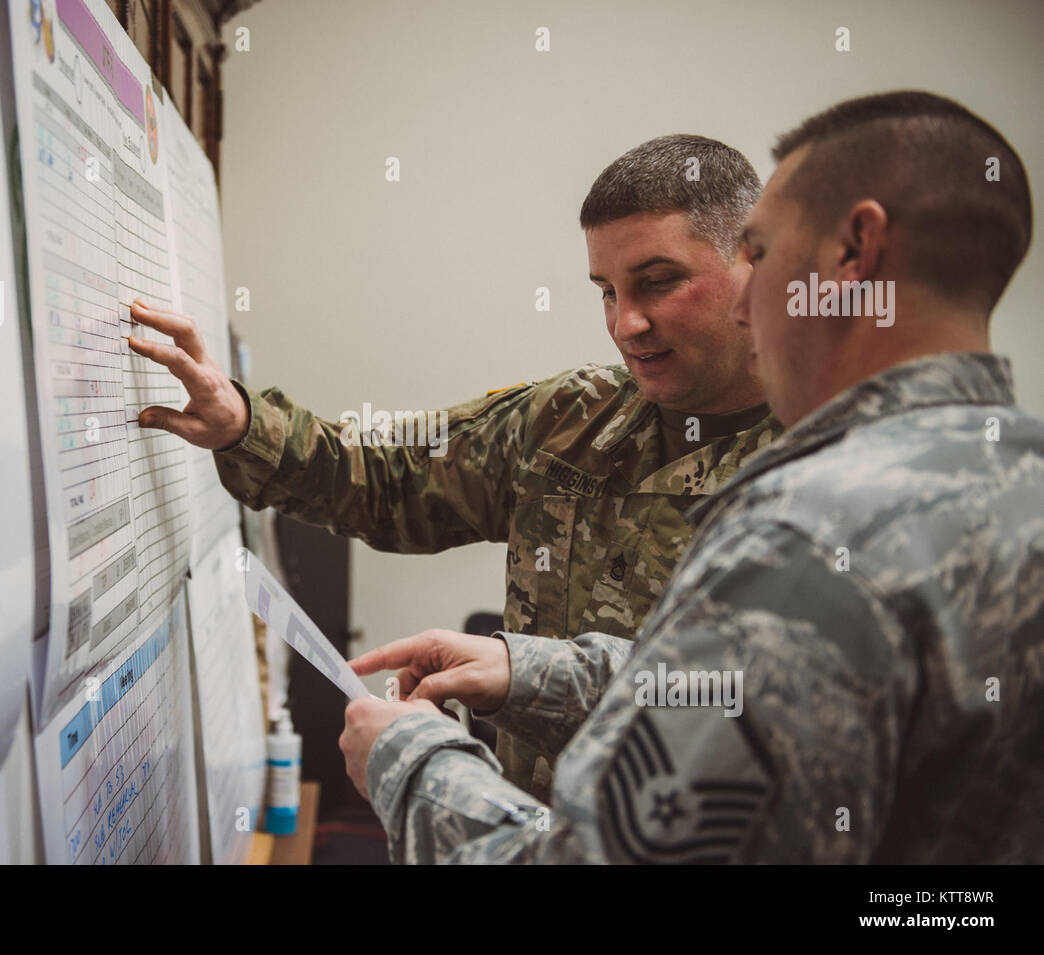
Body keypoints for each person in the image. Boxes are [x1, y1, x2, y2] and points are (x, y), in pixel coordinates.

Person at [340, 89, 1041, 863]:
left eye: (762, 254)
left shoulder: (808, 532)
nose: (747, 307)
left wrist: (410, 761)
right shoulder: (1017, 478)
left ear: (854, 252)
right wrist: (531, 669)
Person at [127, 135, 781, 799]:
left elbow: (750, 701)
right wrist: (240, 425)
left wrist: (512, 676)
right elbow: (389, 479)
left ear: (753, 263)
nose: (626, 323)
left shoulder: (828, 469)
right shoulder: (573, 419)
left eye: (659, 282)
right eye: (606, 291)